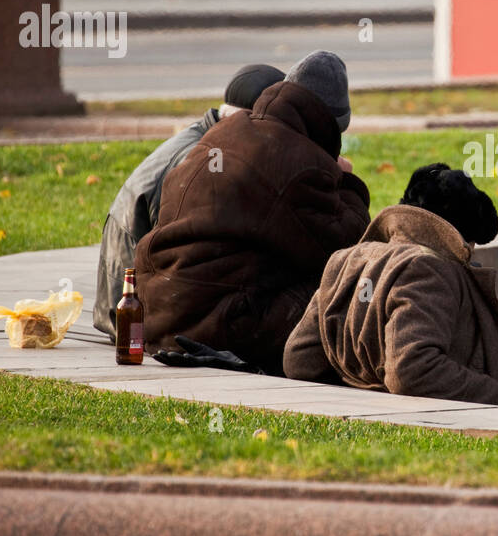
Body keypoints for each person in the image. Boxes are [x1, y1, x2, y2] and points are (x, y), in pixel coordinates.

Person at [134, 52, 370, 373]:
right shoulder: (300, 163)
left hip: (159, 314)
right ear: (331, 123)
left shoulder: (224, 133)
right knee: (342, 286)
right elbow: (348, 246)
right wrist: (348, 181)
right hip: (213, 326)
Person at [284, 164, 498, 409]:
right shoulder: (430, 269)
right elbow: (411, 369)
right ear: (464, 238)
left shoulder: (346, 260)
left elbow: (299, 358)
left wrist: (356, 382)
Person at [93, 64, 284, 340]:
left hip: (127, 302)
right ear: (252, 119)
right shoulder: (203, 162)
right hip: (131, 315)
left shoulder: (208, 141)